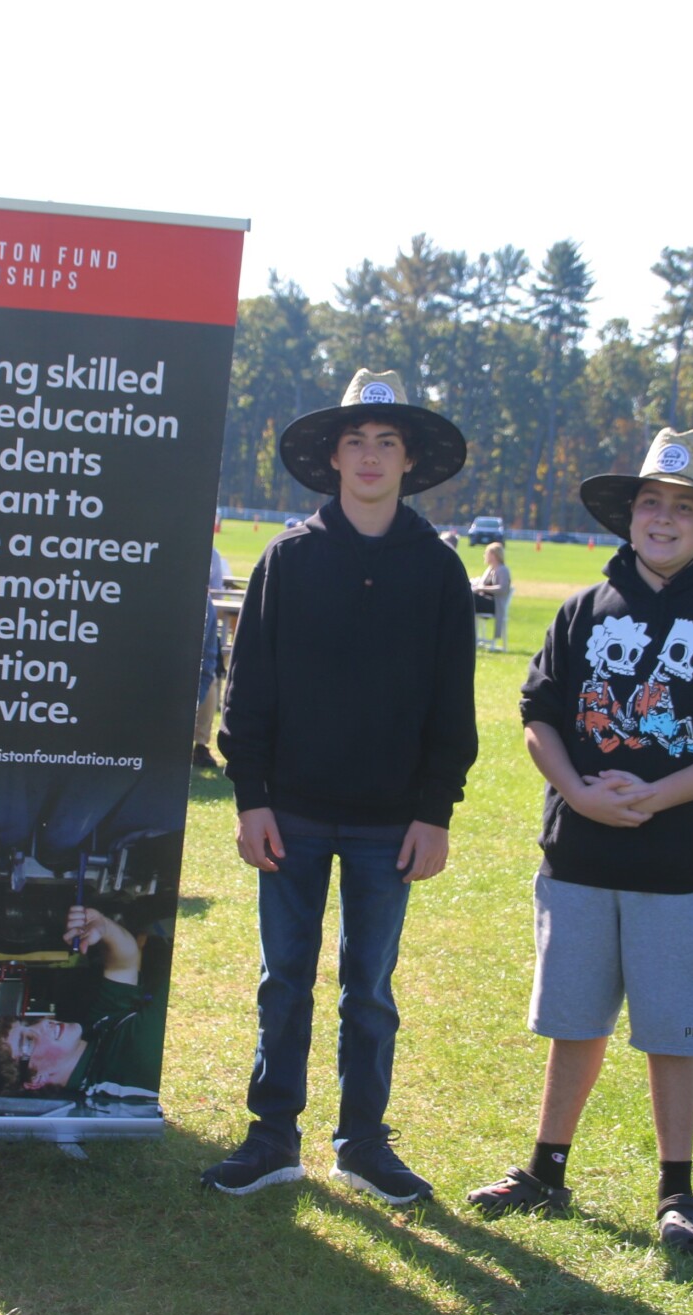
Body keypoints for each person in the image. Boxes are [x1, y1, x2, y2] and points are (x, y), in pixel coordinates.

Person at [464, 429, 693, 1250]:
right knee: (575, 1021)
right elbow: (538, 714)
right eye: (652, 501)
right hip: (580, 855)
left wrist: (657, 794)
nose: (665, 518)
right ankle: (545, 1168)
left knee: (672, 1031)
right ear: (629, 515)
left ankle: (678, 1193)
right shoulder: (582, 610)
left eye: (685, 506)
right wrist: (577, 793)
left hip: (678, 866)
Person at [203, 368, 478, 1204]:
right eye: (355, 440)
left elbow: (450, 703)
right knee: (283, 978)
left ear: (408, 459)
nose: (369, 455)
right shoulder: (287, 558)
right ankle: (272, 1134)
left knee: (371, 988)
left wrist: (434, 812)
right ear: (331, 457)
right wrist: (251, 796)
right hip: (290, 811)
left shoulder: (437, 569)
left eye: (385, 441)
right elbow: (249, 690)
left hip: (388, 823)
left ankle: (362, 1140)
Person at [0, 905, 165, 1097]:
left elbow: (123, 966)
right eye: (28, 1042)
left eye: (30, 1022)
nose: (43, 1023)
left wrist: (103, 926)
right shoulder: (113, 1087)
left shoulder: (94, 1031)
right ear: (35, 1080)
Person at [192, 544, 230, 771]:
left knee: (212, 678)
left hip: (197, 661)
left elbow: (207, 661)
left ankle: (200, 745)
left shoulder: (212, 554)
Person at [471, 540, 513, 652]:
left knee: (470, 598)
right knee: (469, 597)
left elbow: (502, 589)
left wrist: (481, 588)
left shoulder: (502, 570)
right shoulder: (490, 569)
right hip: (486, 601)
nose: (484, 555)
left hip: (495, 605)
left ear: (494, 555)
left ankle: (471, 636)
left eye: (487, 553)